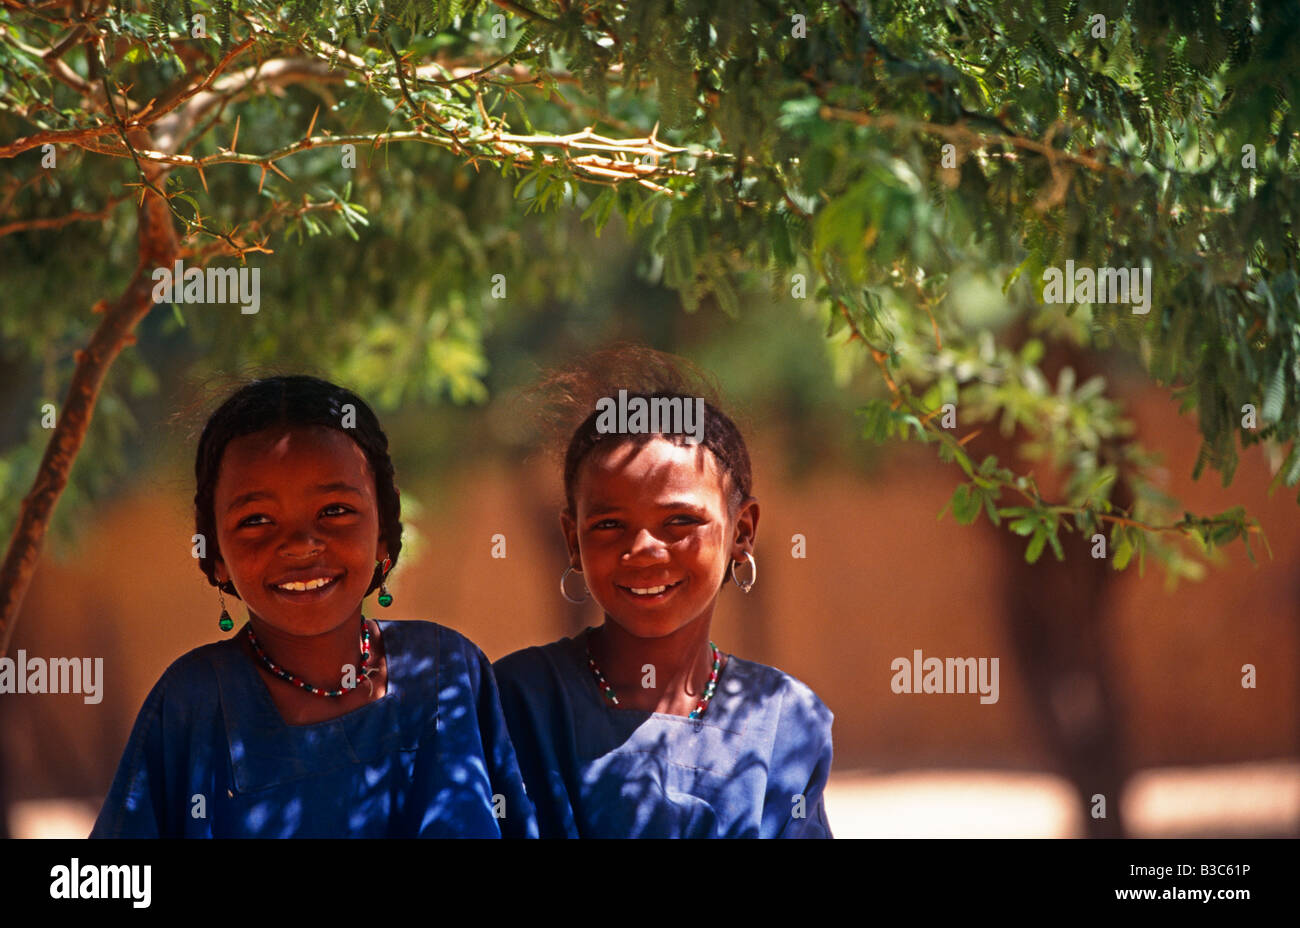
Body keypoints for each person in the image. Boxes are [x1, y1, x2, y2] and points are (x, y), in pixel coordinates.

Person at [91, 375, 535, 838]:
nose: (302, 545)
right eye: (256, 520)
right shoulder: (195, 704)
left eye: (334, 510)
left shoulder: (446, 668)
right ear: (215, 552)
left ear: (383, 525)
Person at [494, 347, 833, 837]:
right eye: (610, 524)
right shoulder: (518, 700)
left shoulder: (785, 719)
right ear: (574, 540)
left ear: (742, 532)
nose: (644, 550)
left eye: (679, 520)